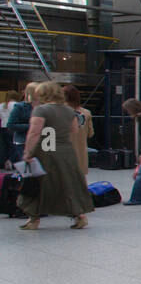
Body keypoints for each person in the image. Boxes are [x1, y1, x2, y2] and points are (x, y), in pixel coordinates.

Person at [17, 81, 94, 230]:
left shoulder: (41, 110)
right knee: (67, 184)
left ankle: (33, 218)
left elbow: (34, 132)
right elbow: (74, 129)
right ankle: (79, 216)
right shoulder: (69, 111)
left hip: (45, 151)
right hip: (66, 152)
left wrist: (27, 152)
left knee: (39, 183)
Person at [62, 86, 93, 180]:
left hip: (63, 153)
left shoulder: (58, 112)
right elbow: (90, 133)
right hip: (80, 154)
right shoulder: (86, 113)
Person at [6, 82, 37, 166]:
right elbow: (11, 125)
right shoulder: (20, 107)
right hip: (22, 141)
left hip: (39, 141)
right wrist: (31, 126)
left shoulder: (42, 107)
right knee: (28, 167)